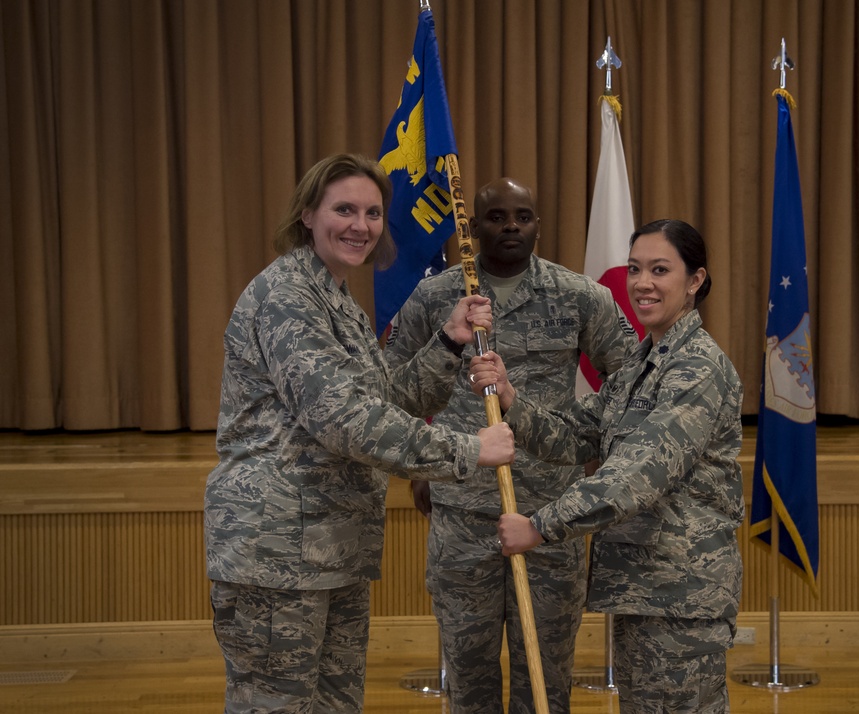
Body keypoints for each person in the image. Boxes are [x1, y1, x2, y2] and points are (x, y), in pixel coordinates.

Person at [204, 153, 515, 714]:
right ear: (306, 214)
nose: (360, 225)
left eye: (372, 213)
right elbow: (344, 420)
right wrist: (469, 451)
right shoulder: (288, 298)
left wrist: (447, 341)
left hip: (332, 548)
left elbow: (384, 402)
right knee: (274, 705)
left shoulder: (336, 298)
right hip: (278, 552)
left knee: (335, 705)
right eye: (343, 209)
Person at [471, 218, 745, 713]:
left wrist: (540, 526)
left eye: (660, 270)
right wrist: (511, 399)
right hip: (642, 591)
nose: (643, 283)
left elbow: (636, 476)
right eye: (636, 268)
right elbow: (578, 434)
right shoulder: (640, 365)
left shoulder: (697, 367)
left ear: (695, 281)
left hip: (682, 596)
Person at [384, 177, 636, 714]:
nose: (511, 227)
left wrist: (594, 447)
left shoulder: (579, 296)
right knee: (468, 679)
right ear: (473, 229)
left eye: (523, 216)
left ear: (538, 225)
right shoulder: (434, 297)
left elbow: (631, 381)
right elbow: (389, 389)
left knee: (545, 680)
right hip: (462, 514)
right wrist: (421, 463)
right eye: (497, 217)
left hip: (549, 517)